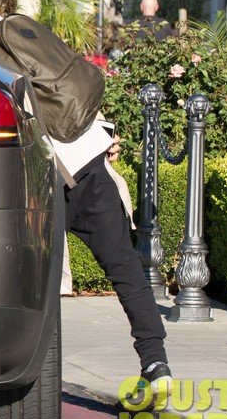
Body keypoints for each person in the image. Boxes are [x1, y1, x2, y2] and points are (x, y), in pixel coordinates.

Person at [53, 117, 171, 396]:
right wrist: (102, 135)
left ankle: (31, 372)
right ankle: (156, 363)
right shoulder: (63, 69)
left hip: (50, 167)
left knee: (39, 273)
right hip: (89, 159)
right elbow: (83, 93)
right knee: (125, 267)